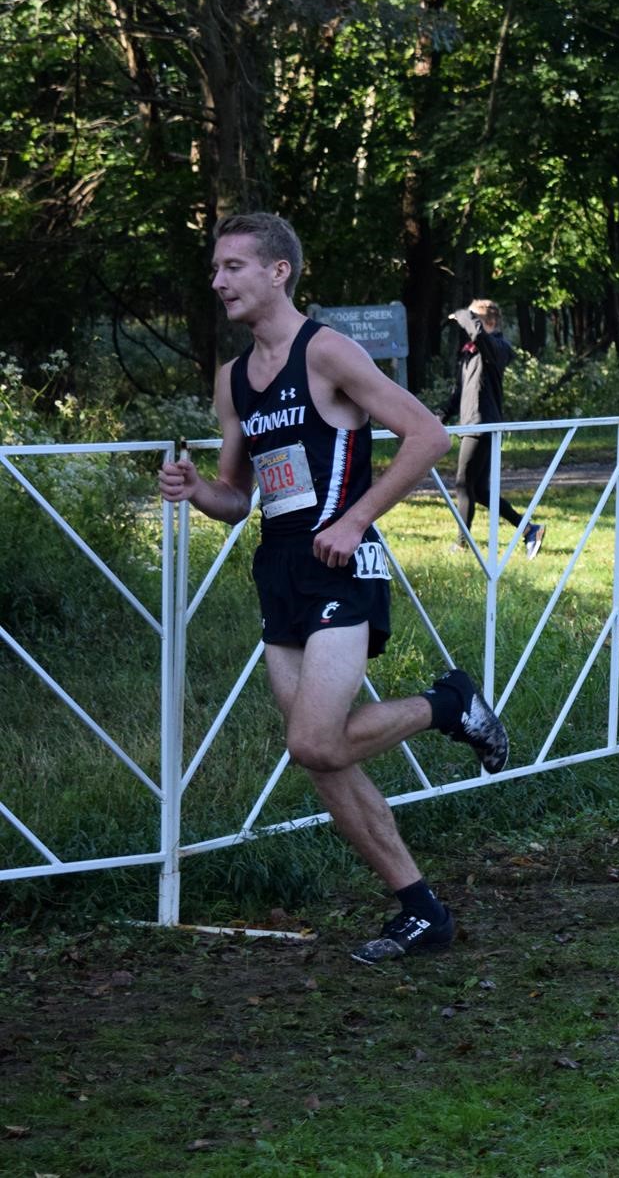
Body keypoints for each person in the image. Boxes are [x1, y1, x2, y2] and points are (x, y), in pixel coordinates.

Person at [157, 213, 508, 964]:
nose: (218, 281)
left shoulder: (327, 351)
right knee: (322, 758)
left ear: (278, 271)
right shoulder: (231, 379)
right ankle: (422, 911)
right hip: (279, 569)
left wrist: (355, 520)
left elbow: (428, 435)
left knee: (314, 739)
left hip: (342, 563)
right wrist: (195, 489)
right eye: (215, 268)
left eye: (232, 267)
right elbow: (236, 497)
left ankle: (450, 705)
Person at [443, 300, 544, 557]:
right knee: (479, 491)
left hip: (483, 424)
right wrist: (440, 415)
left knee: (463, 484)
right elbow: (460, 391)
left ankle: (461, 544)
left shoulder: (498, 348)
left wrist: (462, 313)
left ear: (489, 322)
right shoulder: (472, 352)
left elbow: (478, 334)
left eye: (473, 319)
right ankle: (529, 529)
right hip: (470, 423)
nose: (468, 325)